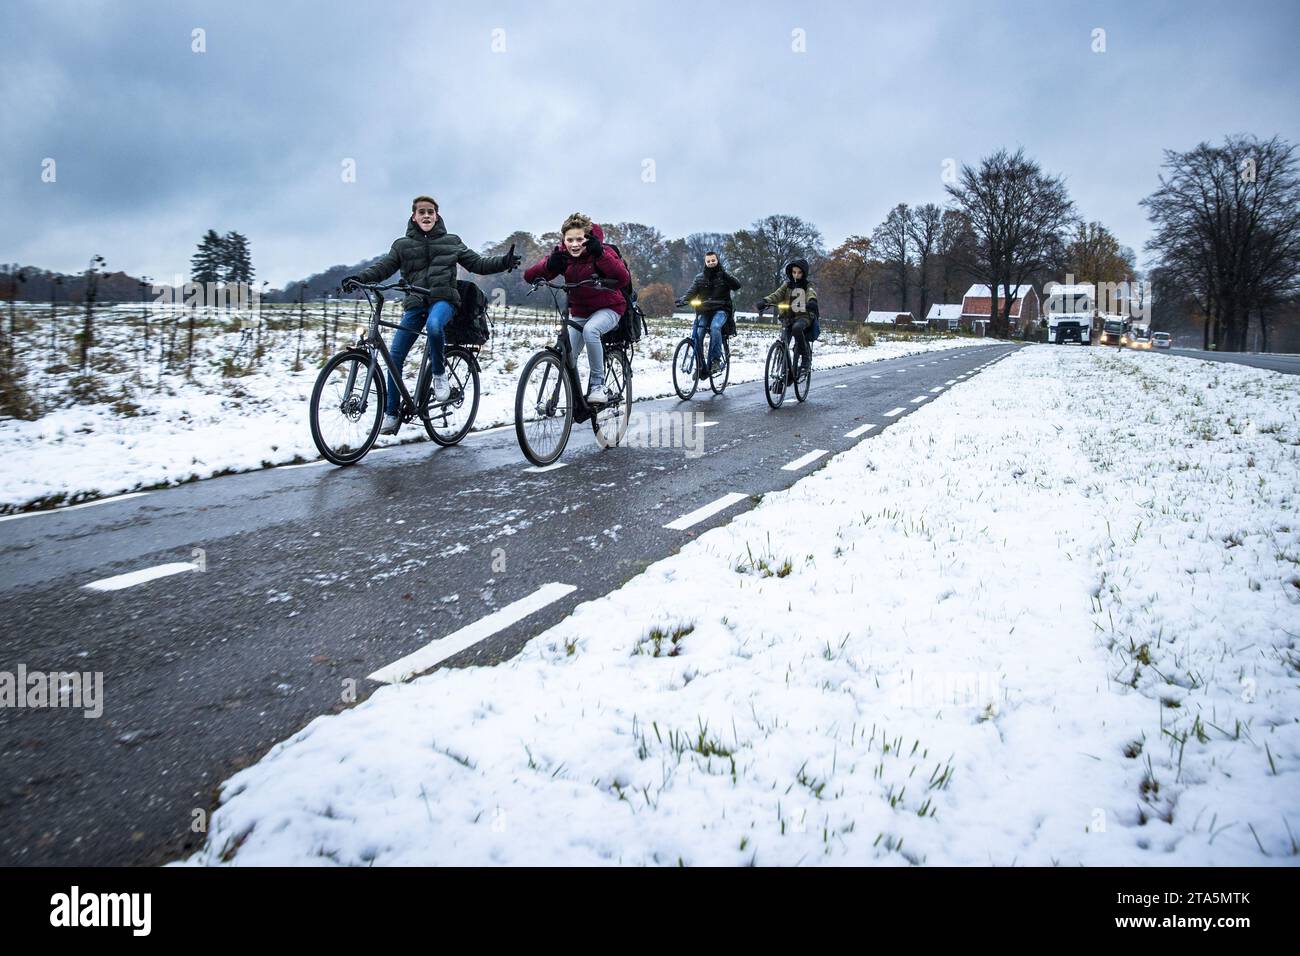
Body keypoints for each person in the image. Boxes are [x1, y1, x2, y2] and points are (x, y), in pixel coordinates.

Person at [342, 195, 520, 434]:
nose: (426, 215)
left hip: (444, 300)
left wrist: (504, 262)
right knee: (394, 357)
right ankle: (391, 414)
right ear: (413, 216)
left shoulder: (451, 241)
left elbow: (477, 263)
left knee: (435, 326)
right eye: (421, 212)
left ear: (437, 216)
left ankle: (439, 375)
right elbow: (383, 267)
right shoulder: (401, 246)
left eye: (430, 212)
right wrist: (360, 279)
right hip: (415, 303)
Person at [523, 213, 630, 405]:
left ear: (587, 238)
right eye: (569, 240)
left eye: (579, 239)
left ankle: (598, 385)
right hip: (580, 312)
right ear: (563, 240)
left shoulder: (602, 251)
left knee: (591, 331)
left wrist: (601, 255)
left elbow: (622, 278)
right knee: (567, 354)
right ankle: (574, 400)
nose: (574, 244)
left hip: (610, 308)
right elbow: (529, 276)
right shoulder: (563, 256)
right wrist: (548, 265)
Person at [676, 251, 742, 379]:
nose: (711, 263)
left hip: (721, 310)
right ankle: (701, 366)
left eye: (713, 260)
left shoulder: (724, 276)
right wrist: (684, 299)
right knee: (698, 334)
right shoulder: (700, 278)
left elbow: (737, 285)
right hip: (705, 310)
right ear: (705, 263)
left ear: (717, 260)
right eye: (708, 261)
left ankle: (715, 361)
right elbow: (692, 291)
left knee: (715, 327)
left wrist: (726, 276)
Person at [758, 257, 819, 384]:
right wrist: (765, 301)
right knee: (783, 344)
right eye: (794, 272)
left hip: (803, 317)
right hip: (788, 318)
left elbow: (811, 293)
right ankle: (785, 376)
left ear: (804, 273)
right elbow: (777, 294)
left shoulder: (808, 285)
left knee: (797, 329)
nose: (796, 275)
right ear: (790, 272)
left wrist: (811, 302)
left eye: (799, 272)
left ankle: (806, 358)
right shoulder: (787, 285)